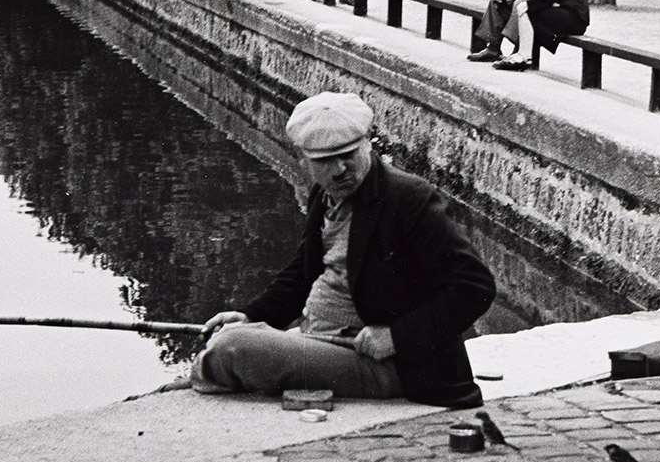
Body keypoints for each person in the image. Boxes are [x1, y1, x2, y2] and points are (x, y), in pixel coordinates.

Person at [191, 91, 496, 408]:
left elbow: (474, 287)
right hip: (320, 338)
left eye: (348, 155)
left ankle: (205, 372)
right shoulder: (324, 195)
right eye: (323, 161)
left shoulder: (408, 198)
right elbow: (302, 273)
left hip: (385, 363)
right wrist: (251, 314)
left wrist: (395, 337)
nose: (338, 170)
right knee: (241, 333)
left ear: (368, 143)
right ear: (304, 159)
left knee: (233, 346)